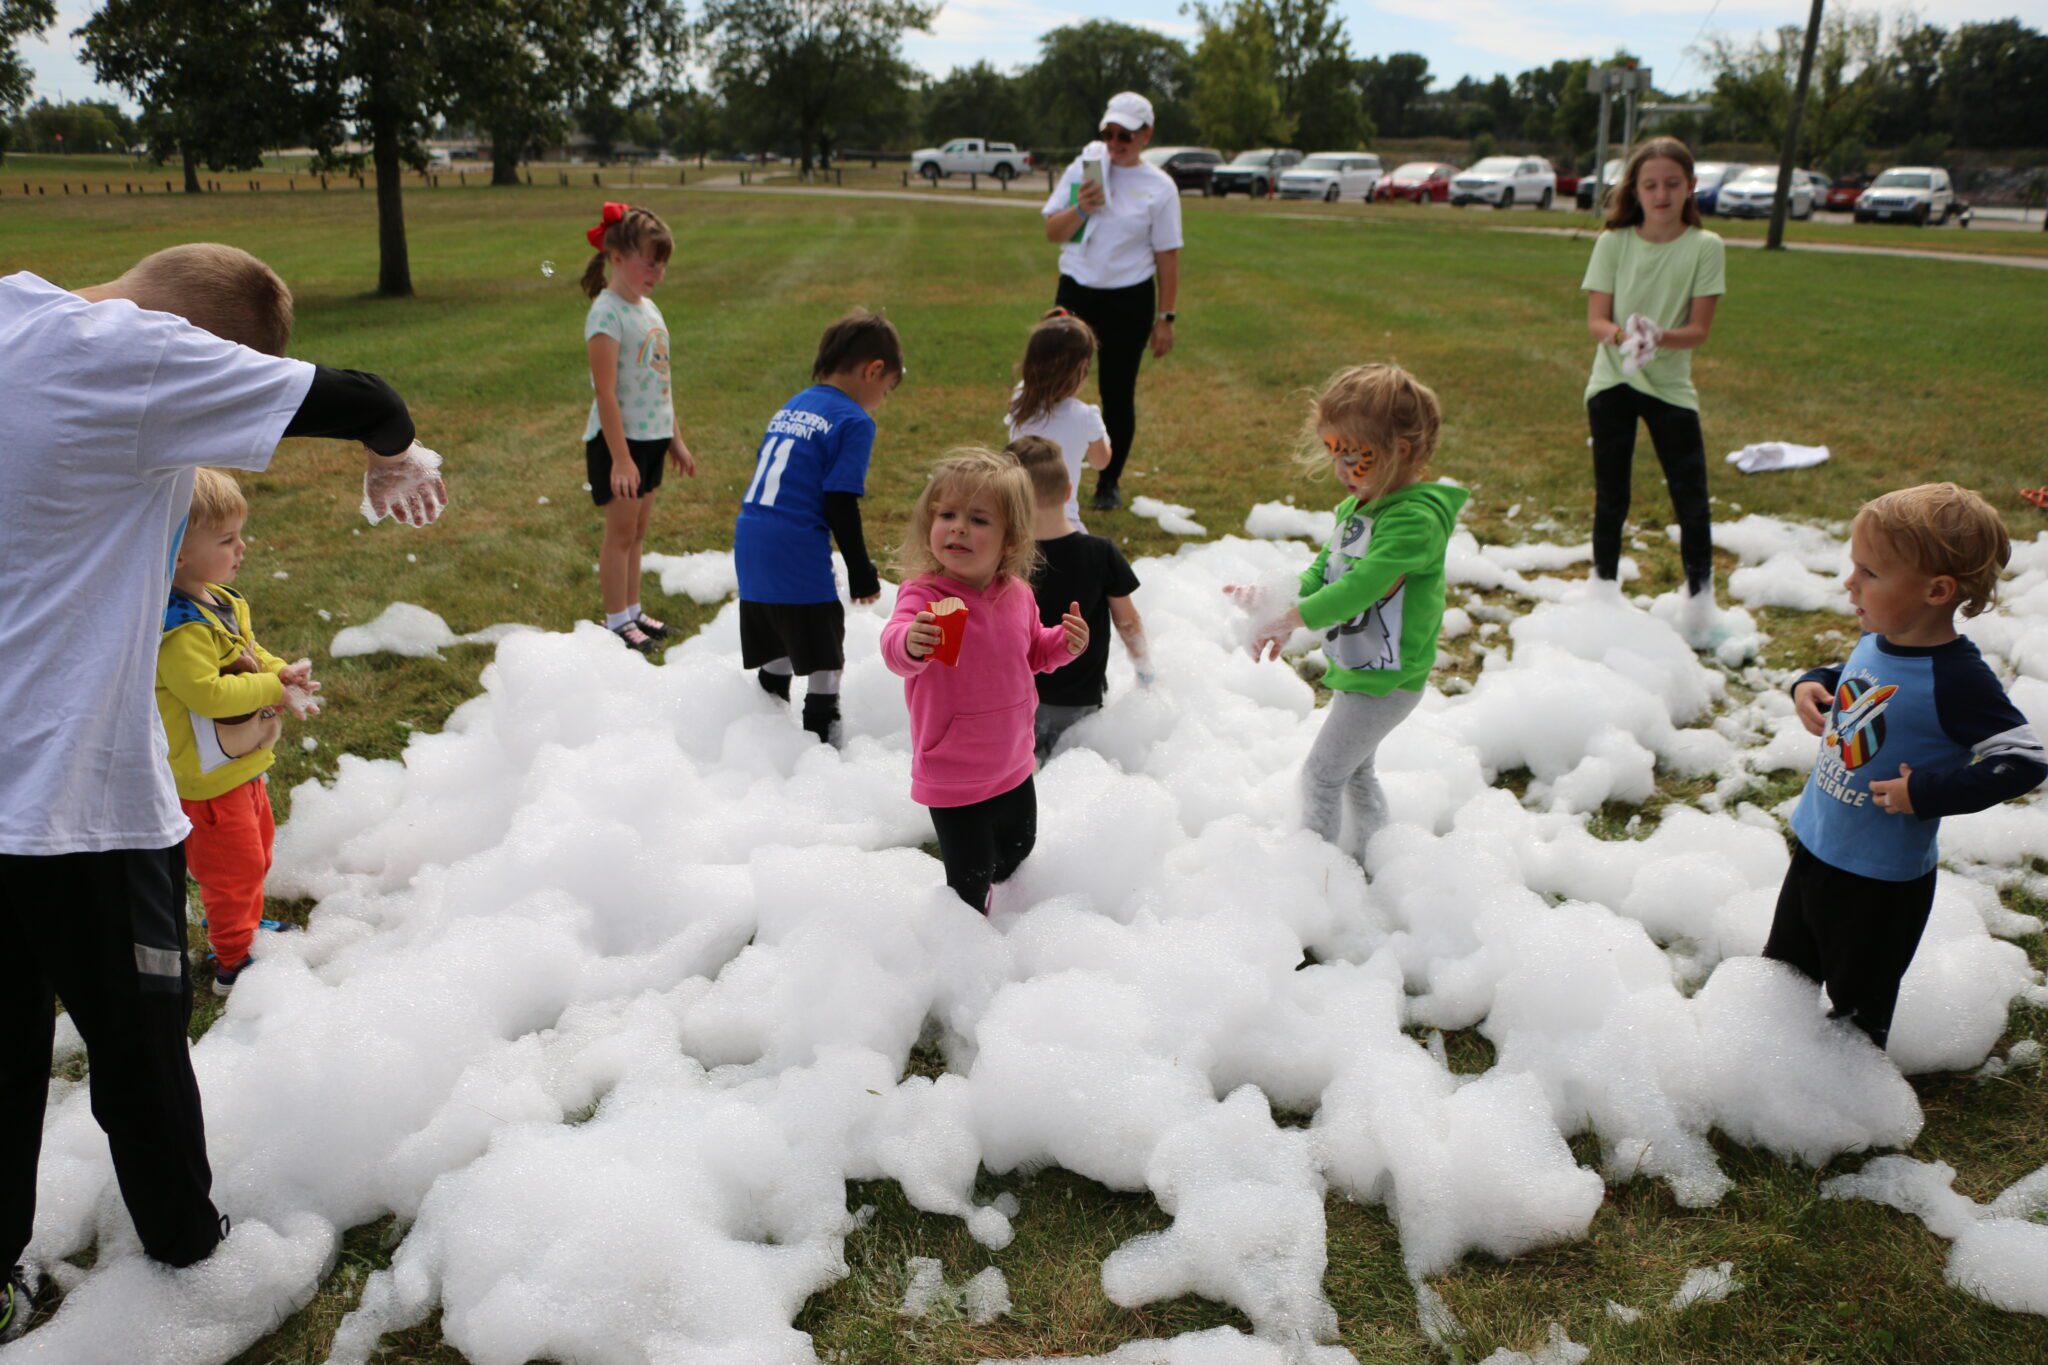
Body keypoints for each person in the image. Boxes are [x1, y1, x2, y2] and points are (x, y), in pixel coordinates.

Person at [0, 243, 444, 1338]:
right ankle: (189, 1257)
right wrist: (394, 460)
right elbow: (369, 401)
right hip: (74, 795)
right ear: (202, 351)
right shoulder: (133, 352)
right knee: (142, 1040)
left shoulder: (13, 312)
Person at [1766, 483, 2044, 1049]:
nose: (1850, 583)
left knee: (1857, 1012)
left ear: (1937, 590)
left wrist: (1929, 793)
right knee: (1783, 975)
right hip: (1816, 846)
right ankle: (1778, 1073)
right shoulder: (1881, 636)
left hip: (1879, 882)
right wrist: (1811, 684)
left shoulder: (1958, 680)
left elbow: (2024, 760)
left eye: (1869, 572)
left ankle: (1852, 1107)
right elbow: (1851, 672)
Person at [1230, 364, 1467, 867]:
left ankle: (1313, 876)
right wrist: (1274, 601)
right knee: (1356, 771)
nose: (1340, 471)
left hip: (1390, 679)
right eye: (1335, 454)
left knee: (1322, 775)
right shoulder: (1359, 507)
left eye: (1355, 458)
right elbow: (1326, 570)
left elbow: (1363, 586)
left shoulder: (1413, 522)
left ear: (1400, 452)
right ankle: (1371, 860)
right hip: (1366, 668)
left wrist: (1295, 618)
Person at [880, 449, 1087, 911]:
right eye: (946, 514)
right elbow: (896, 648)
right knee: (970, 884)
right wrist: (912, 642)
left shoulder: (1018, 595)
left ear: (1009, 539)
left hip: (1013, 759)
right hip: (954, 771)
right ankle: (969, 953)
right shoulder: (925, 596)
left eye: (977, 519)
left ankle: (1012, 910)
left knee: (1018, 848)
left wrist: (1063, 645)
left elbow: (1031, 652)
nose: (957, 527)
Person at [156, 470, 319, 997]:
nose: (241, 547)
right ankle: (233, 961)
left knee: (258, 852)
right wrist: (270, 687)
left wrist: (280, 672)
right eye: (226, 540)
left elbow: (249, 652)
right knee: (231, 869)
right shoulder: (178, 629)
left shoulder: (218, 600)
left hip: (240, 763)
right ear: (178, 554)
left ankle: (243, 930)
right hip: (207, 780)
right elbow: (207, 694)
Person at [1580, 136, 1727, 648]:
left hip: (1669, 387)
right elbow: (1597, 319)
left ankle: (1701, 605)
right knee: (1611, 495)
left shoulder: (1705, 247)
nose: (1661, 194)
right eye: (1650, 185)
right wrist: (1624, 337)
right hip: (1613, 380)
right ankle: (1602, 595)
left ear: (1690, 187)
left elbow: (1699, 330)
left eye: (1671, 183)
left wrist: (1658, 337)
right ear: (1635, 191)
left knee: (1691, 498)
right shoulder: (1613, 243)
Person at [733, 310, 901, 746]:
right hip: (795, 549)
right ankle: (821, 750)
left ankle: (764, 742)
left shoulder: (795, 403)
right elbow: (839, 501)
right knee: (825, 655)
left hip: (751, 541)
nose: (881, 399)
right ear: (874, 370)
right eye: (886, 389)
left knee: (778, 643)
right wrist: (862, 570)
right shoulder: (854, 421)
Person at [1041, 91, 1183, 513]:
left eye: (1126, 135)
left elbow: (1167, 256)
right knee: (1053, 382)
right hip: (1077, 288)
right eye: (1109, 133)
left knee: (1117, 391)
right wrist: (1081, 209)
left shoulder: (1160, 187)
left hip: (1129, 297)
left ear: (1146, 135)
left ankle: (1109, 480)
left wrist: (1166, 317)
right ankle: (1046, 473)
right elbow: (1053, 232)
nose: (1116, 143)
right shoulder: (1085, 168)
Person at [581, 202, 697, 654]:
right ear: (617, 257)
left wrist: (676, 440)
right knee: (621, 533)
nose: (658, 272)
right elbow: (605, 393)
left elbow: (660, 382)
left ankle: (632, 610)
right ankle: (615, 621)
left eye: (662, 264)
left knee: (639, 531)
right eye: (650, 262)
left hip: (650, 439)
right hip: (619, 445)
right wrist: (622, 458)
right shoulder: (606, 314)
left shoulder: (649, 309)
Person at [1007, 436, 1152, 762]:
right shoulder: (1101, 553)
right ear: (1069, 491)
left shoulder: (1005, 559)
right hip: (1080, 704)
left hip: (1014, 700)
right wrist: (1145, 670)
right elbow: (1128, 621)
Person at [1006, 309, 1111, 532]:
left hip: (1015, 517)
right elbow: (1100, 462)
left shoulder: (1019, 399)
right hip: (1061, 520)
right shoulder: (1086, 416)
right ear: (1080, 370)